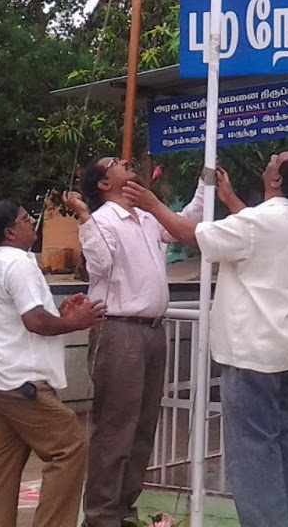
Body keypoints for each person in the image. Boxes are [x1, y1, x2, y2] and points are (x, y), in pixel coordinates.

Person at [128, 150, 288, 527]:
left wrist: (151, 203)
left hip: (251, 356)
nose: (267, 160)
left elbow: (190, 234)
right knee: (283, 447)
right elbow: (253, 232)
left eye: (274, 160)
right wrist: (231, 200)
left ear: (278, 179)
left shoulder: (256, 223)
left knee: (252, 455)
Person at [62, 156, 230, 527]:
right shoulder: (102, 220)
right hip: (120, 329)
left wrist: (205, 178)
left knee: (142, 428)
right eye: (115, 163)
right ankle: (101, 516)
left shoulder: (147, 215)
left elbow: (189, 220)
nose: (126, 161)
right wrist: (85, 218)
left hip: (152, 329)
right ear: (105, 184)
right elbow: (101, 265)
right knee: (116, 428)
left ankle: (123, 509)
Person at [0, 198, 106, 527]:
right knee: (69, 447)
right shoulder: (19, 264)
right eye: (24, 219)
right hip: (23, 383)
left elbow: (32, 317)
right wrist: (76, 323)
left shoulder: (0, 262)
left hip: (0, 381)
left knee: (1, 472)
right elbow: (34, 321)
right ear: (10, 232)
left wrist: (62, 315)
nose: (31, 220)